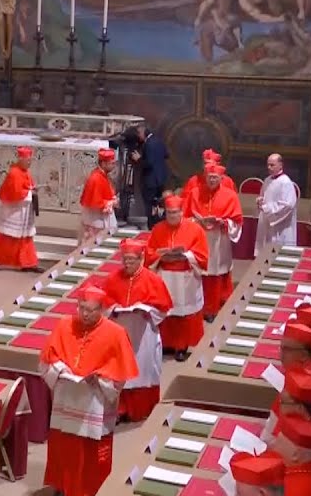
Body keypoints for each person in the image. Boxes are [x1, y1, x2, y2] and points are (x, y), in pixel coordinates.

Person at [40, 286, 139, 496]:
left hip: (95, 399)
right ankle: (62, 485)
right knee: (64, 443)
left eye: (91, 310)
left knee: (90, 448)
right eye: (81, 308)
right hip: (67, 395)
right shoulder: (64, 325)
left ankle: (89, 489)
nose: (85, 314)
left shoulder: (115, 333)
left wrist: (100, 380)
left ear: (102, 309)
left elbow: (120, 376)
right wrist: (61, 369)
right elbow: (47, 360)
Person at [102, 239, 173, 422]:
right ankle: (120, 409)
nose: (127, 264)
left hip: (144, 331)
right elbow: (103, 302)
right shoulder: (112, 279)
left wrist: (146, 310)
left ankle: (139, 409)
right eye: (124, 259)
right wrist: (114, 308)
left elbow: (164, 308)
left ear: (141, 259)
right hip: (120, 329)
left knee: (143, 369)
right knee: (119, 370)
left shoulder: (153, 280)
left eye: (131, 260)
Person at [145, 195, 209, 361]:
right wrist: (161, 256)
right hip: (165, 276)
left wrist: (186, 255)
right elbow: (149, 252)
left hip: (186, 277)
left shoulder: (195, 230)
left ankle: (182, 346)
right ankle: (167, 343)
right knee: (166, 312)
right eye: (169, 213)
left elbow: (202, 255)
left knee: (183, 314)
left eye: (175, 212)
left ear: (181, 212)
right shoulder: (158, 229)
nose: (172, 216)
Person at [184, 162, 244, 321]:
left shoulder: (230, 195)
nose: (212, 180)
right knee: (198, 273)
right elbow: (186, 217)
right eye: (209, 177)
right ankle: (196, 308)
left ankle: (212, 309)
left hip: (218, 240)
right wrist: (196, 221)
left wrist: (224, 222)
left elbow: (237, 221)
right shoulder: (195, 193)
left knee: (215, 274)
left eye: (215, 177)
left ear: (221, 178)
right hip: (199, 238)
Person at [0, 146, 40, 272]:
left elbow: (27, 186)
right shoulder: (14, 173)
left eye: (31, 160)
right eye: (28, 160)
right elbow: (15, 192)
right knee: (6, 237)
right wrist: (30, 193)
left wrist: (33, 189)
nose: (30, 163)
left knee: (26, 237)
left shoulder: (25, 171)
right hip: (14, 210)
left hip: (23, 210)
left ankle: (28, 262)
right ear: (21, 159)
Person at [256, 153, 299, 255]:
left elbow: (288, 205)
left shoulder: (286, 182)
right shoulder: (267, 180)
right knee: (266, 252)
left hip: (281, 224)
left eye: (272, 165)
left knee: (279, 251)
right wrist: (260, 201)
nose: (269, 167)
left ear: (280, 165)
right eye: (268, 165)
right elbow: (263, 196)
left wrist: (268, 209)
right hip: (267, 222)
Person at [79, 148, 120, 244]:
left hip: (101, 218)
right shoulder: (96, 178)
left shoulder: (103, 175)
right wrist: (110, 203)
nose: (114, 166)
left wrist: (112, 200)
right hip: (96, 219)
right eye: (112, 163)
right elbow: (95, 202)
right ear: (104, 163)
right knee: (92, 245)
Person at [133, 123, 169, 227]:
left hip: (150, 180)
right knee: (159, 203)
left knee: (149, 204)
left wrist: (139, 159)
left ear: (144, 132)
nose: (138, 135)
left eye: (139, 133)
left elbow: (148, 163)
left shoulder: (148, 144)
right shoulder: (159, 141)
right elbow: (166, 154)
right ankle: (160, 222)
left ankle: (151, 225)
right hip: (161, 179)